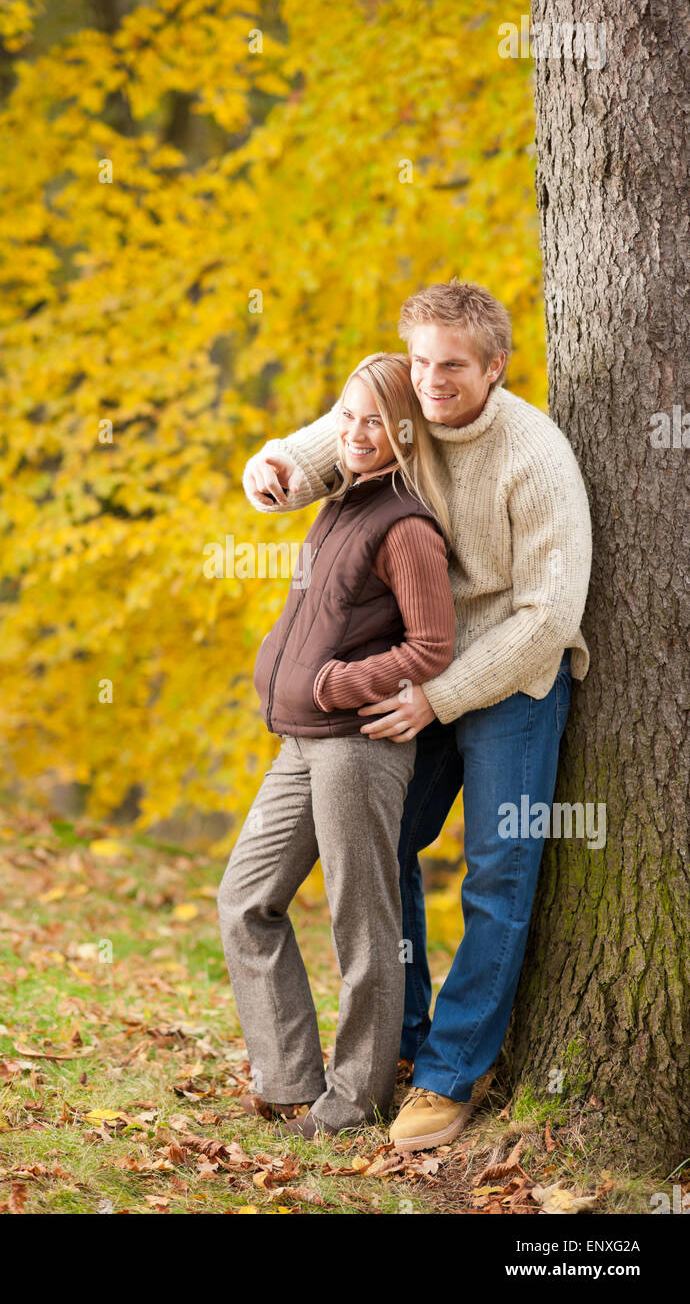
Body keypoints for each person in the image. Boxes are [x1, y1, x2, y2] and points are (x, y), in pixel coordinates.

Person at [241, 281, 592, 1150]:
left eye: (453, 368)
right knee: (386, 844)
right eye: (422, 363)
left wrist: (436, 694)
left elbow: (547, 617)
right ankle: (399, 1040)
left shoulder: (534, 456)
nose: (433, 383)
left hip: (512, 675)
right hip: (417, 667)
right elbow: (339, 436)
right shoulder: (412, 402)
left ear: (494, 367)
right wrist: (278, 464)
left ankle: (449, 1073)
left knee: (499, 872)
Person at [218, 352, 455, 1138]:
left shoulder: (407, 524)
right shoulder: (345, 500)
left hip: (359, 747)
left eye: (376, 422)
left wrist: (332, 685)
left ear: (405, 431)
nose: (357, 433)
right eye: (347, 416)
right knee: (246, 900)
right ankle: (290, 1083)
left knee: (363, 925)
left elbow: (431, 649)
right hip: (300, 744)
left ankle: (355, 1103)